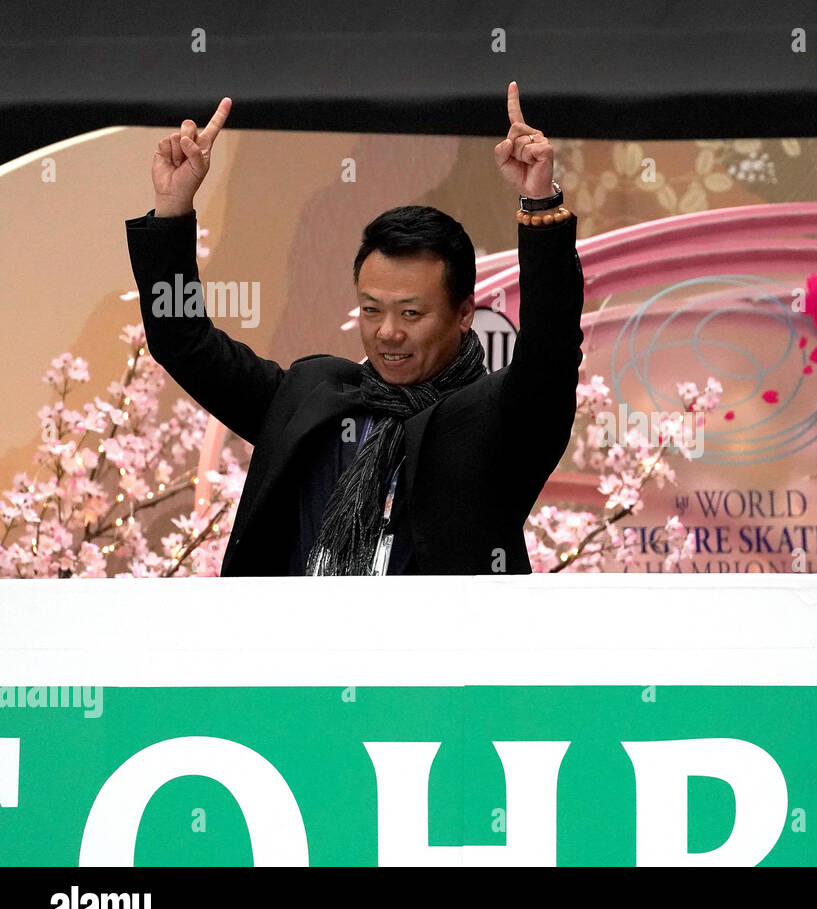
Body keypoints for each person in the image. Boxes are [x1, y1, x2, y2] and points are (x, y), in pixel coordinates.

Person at [124, 83, 584, 575]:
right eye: (371, 310)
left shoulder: (497, 418)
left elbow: (550, 354)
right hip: (297, 651)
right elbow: (183, 342)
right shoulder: (312, 395)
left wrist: (540, 204)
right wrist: (172, 210)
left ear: (465, 312)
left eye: (410, 313)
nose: (387, 333)